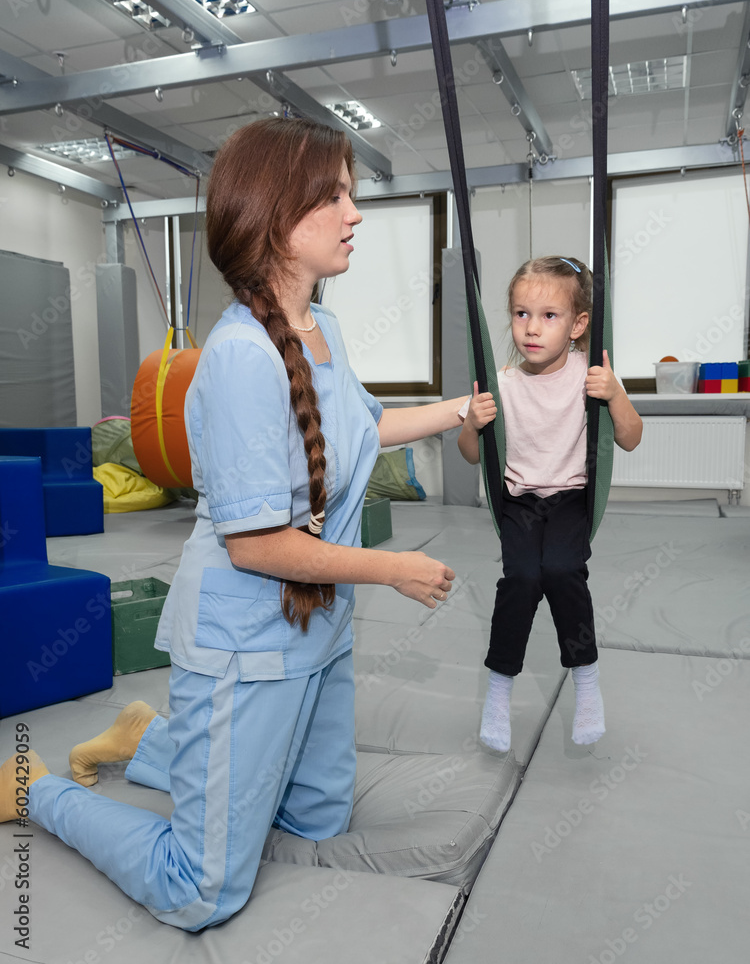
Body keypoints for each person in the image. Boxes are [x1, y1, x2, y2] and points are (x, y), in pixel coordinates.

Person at [0, 117, 467, 931]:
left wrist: (467, 408)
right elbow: (256, 546)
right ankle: (33, 786)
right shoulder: (242, 356)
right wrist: (394, 568)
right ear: (278, 217)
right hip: (249, 641)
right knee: (200, 890)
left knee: (318, 822)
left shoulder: (328, 331)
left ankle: (152, 743)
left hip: (321, 629)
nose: (356, 213)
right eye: (337, 196)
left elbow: (362, 431)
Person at [457, 255, 642, 753]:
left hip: (569, 500)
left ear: (579, 325)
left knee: (561, 572)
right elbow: (471, 453)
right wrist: (472, 424)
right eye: (521, 314)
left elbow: (631, 438)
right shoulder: (503, 383)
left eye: (548, 316)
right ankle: (499, 690)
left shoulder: (592, 375)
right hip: (518, 500)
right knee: (521, 579)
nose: (531, 329)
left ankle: (586, 682)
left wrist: (615, 396)